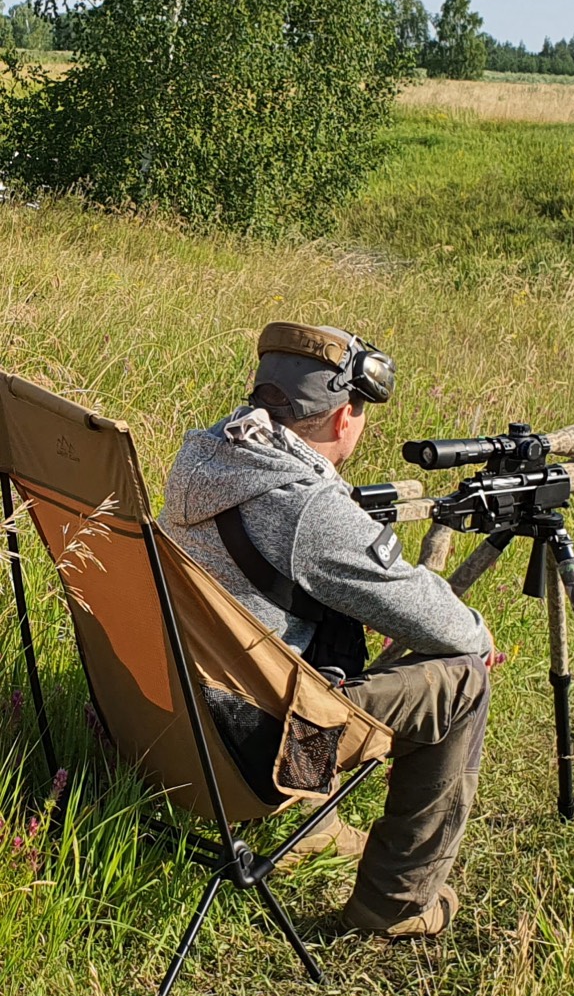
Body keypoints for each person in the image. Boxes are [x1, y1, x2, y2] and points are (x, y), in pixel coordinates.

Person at [160, 321, 498, 940]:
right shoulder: (306, 504)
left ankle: (310, 830)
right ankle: (395, 904)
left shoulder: (200, 457)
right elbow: (431, 614)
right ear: (344, 418)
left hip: (168, 714)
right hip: (251, 745)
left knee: (312, 632)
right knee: (464, 683)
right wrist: (477, 630)